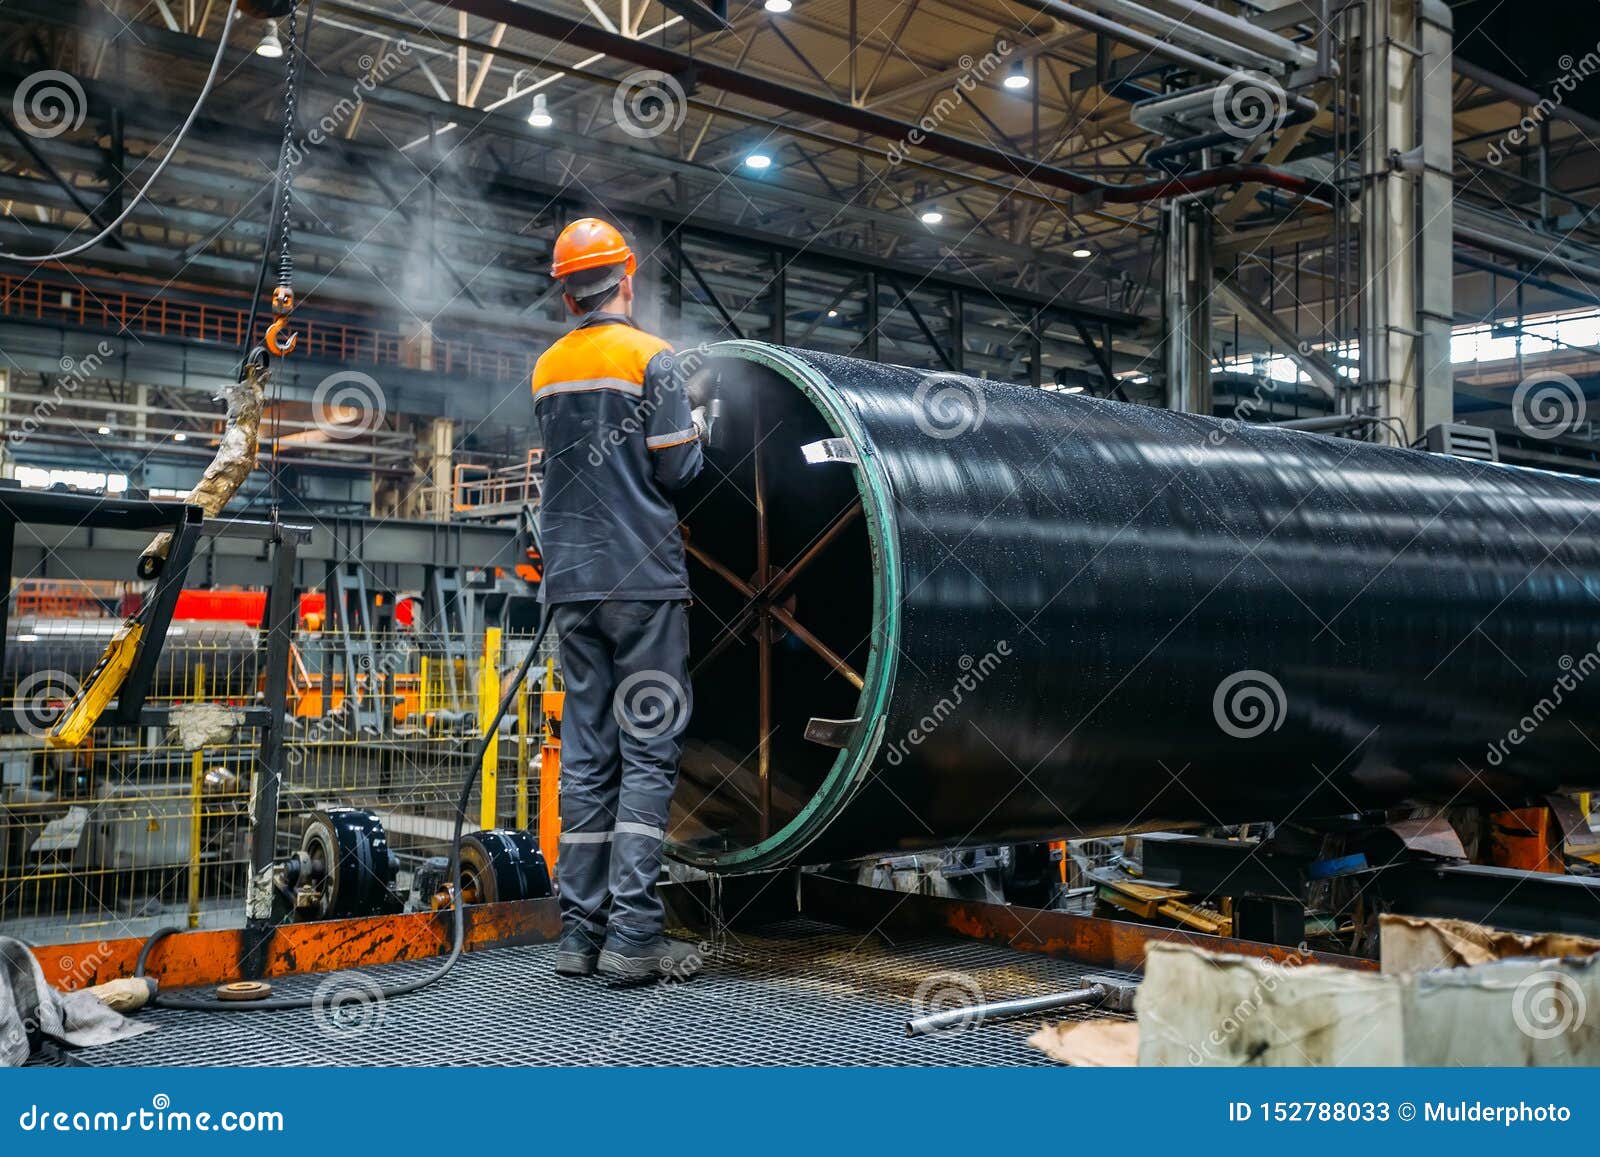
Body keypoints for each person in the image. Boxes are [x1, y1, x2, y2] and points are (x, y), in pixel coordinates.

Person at [530, 217, 707, 984]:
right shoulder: (652, 358)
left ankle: (580, 934)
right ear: (625, 278)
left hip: (570, 586)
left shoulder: (545, 369)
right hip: (643, 586)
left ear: (566, 291)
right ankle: (635, 938)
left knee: (588, 756)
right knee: (647, 755)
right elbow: (679, 473)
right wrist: (696, 428)